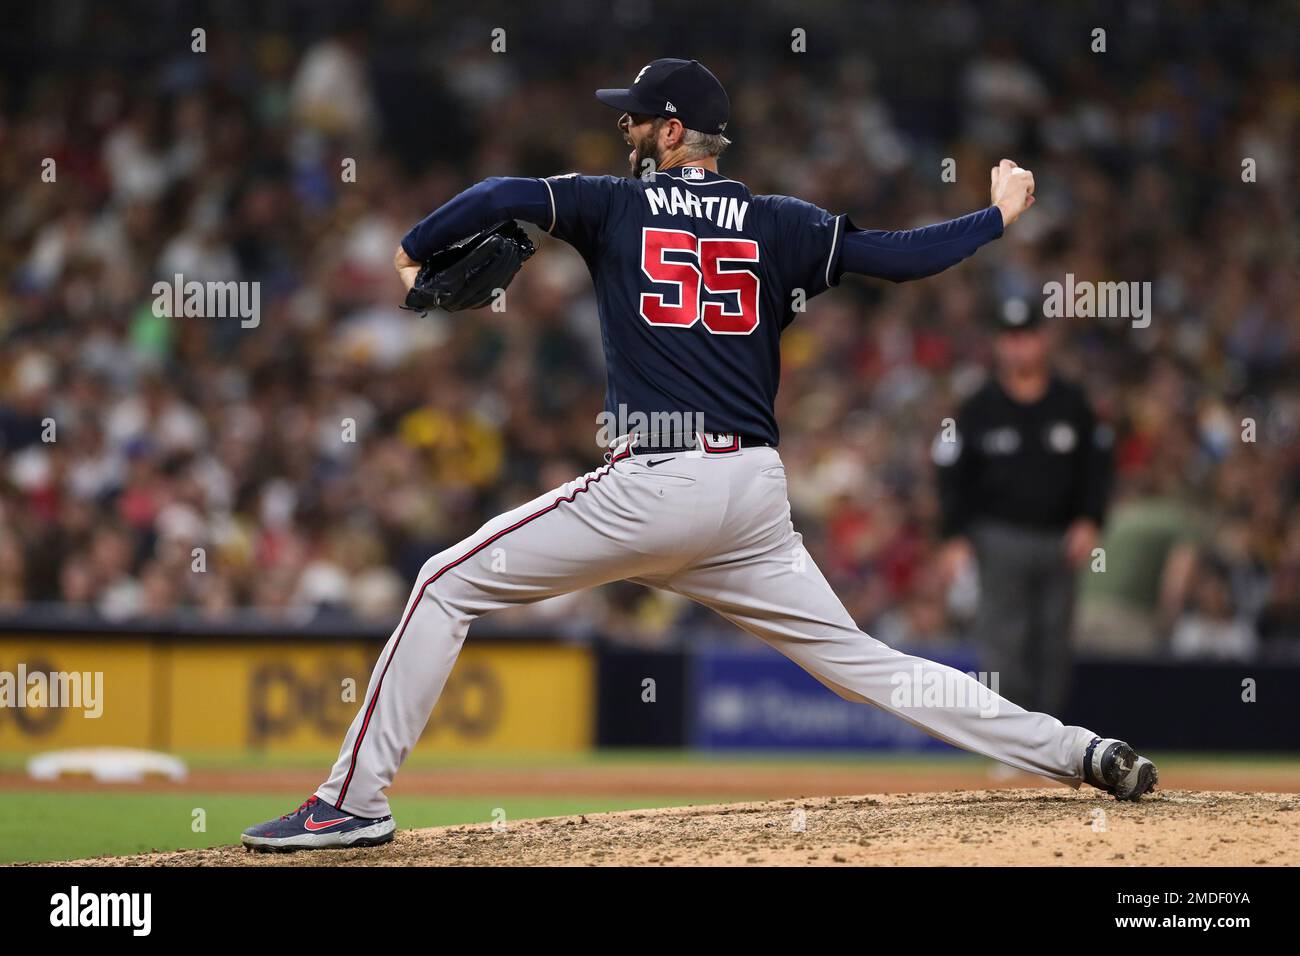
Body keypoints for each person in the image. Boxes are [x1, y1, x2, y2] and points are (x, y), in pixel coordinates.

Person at [242, 58, 1156, 852]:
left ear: (672, 129)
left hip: (660, 481)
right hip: (753, 497)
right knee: (872, 665)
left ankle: (351, 803)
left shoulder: (611, 205)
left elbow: (504, 195)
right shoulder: (781, 221)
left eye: (636, 117)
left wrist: (411, 252)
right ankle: (1076, 750)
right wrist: (995, 216)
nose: (626, 129)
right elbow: (900, 257)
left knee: (445, 580)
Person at [934, 306, 1112, 714]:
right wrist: (953, 535)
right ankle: (1011, 737)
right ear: (999, 343)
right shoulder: (978, 407)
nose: (1019, 347)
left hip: (1059, 537)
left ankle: (1051, 739)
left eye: (1027, 336)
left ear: (1043, 340)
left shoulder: (1072, 403)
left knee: (1054, 638)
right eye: (1010, 337)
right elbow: (951, 474)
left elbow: (1097, 468)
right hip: (998, 537)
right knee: (1003, 637)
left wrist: (1090, 520)